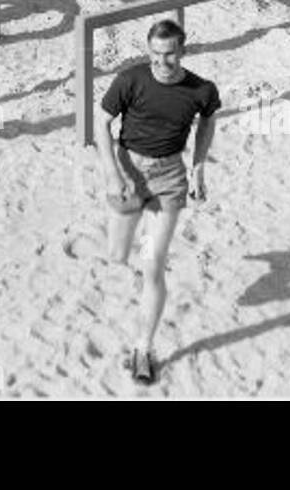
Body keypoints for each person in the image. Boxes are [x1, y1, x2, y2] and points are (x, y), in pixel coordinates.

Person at [95, 19, 219, 384]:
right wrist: (112, 174)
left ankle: (142, 348)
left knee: (152, 265)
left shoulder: (201, 90)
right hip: (129, 172)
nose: (161, 62)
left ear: (182, 50)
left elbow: (208, 121)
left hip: (169, 179)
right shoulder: (130, 80)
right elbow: (100, 123)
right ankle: (135, 246)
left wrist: (198, 167)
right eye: (155, 55)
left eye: (169, 55)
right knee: (117, 255)